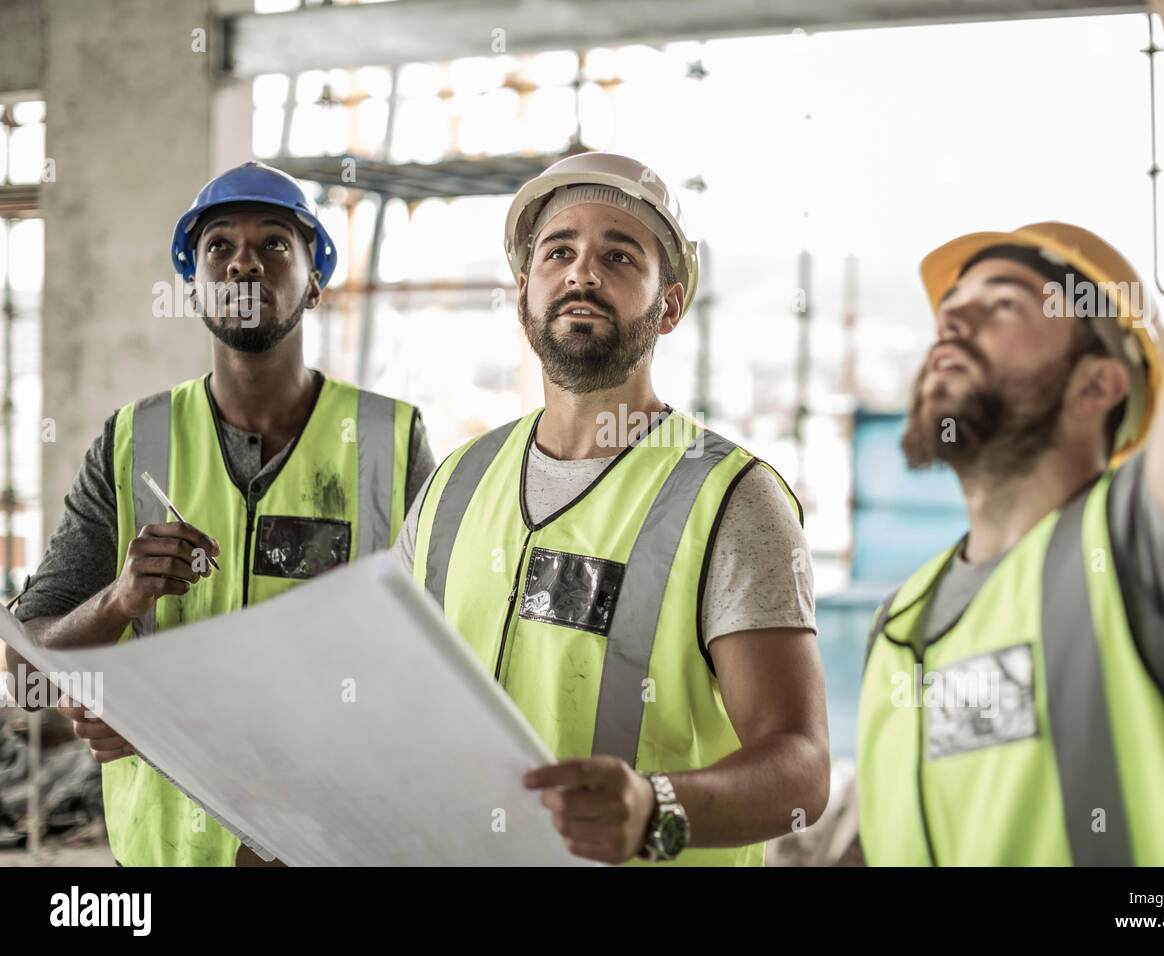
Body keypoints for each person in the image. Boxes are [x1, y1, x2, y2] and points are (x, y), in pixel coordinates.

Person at [857, 0, 1164, 865]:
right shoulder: (898, 627)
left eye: (1003, 305)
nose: (952, 325)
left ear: (1098, 382)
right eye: (951, 310)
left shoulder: (1145, 555)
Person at [395, 152, 829, 865]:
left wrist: (656, 807)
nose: (581, 273)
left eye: (619, 256)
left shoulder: (728, 498)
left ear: (669, 307)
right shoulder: (455, 485)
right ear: (523, 298)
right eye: (557, 252)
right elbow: (394, 695)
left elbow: (803, 772)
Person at [4, 161, 436, 866]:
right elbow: (26, 676)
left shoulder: (390, 442)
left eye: (273, 245)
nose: (244, 265)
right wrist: (117, 604)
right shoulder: (131, 442)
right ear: (194, 285)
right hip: (164, 857)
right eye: (218, 248)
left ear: (315, 280)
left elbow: (438, 669)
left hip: (331, 845)